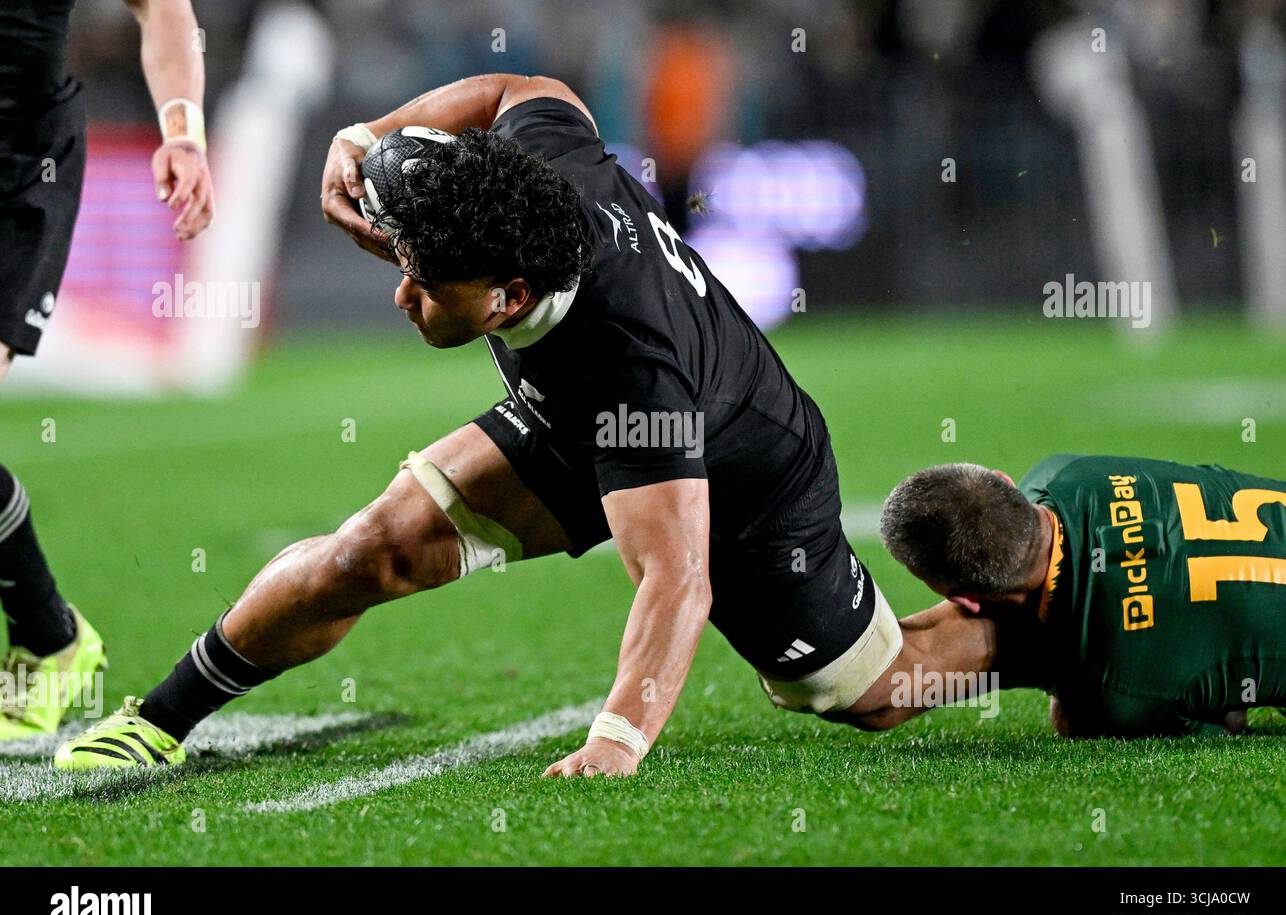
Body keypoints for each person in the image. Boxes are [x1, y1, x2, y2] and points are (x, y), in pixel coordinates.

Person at [55, 73, 908, 775]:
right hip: (578, 417)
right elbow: (518, 88)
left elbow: (676, 577)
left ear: (510, 299)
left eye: (424, 281)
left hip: (749, 471)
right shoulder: (531, 179)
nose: (401, 294)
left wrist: (617, 739)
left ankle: (1023, 623)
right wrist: (363, 132)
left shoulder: (629, 356)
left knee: (856, 694)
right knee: (374, 547)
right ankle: (160, 721)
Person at [0, 0, 214, 740]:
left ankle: (47, 638)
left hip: (16, 167)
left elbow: (161, 7)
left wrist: (182, 132)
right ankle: (49, 634)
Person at [875, 454, 1286, 737]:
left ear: (964, 598)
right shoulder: (1065, 471)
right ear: (1005, 482)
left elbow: (1229, 718)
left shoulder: (1110, 690)